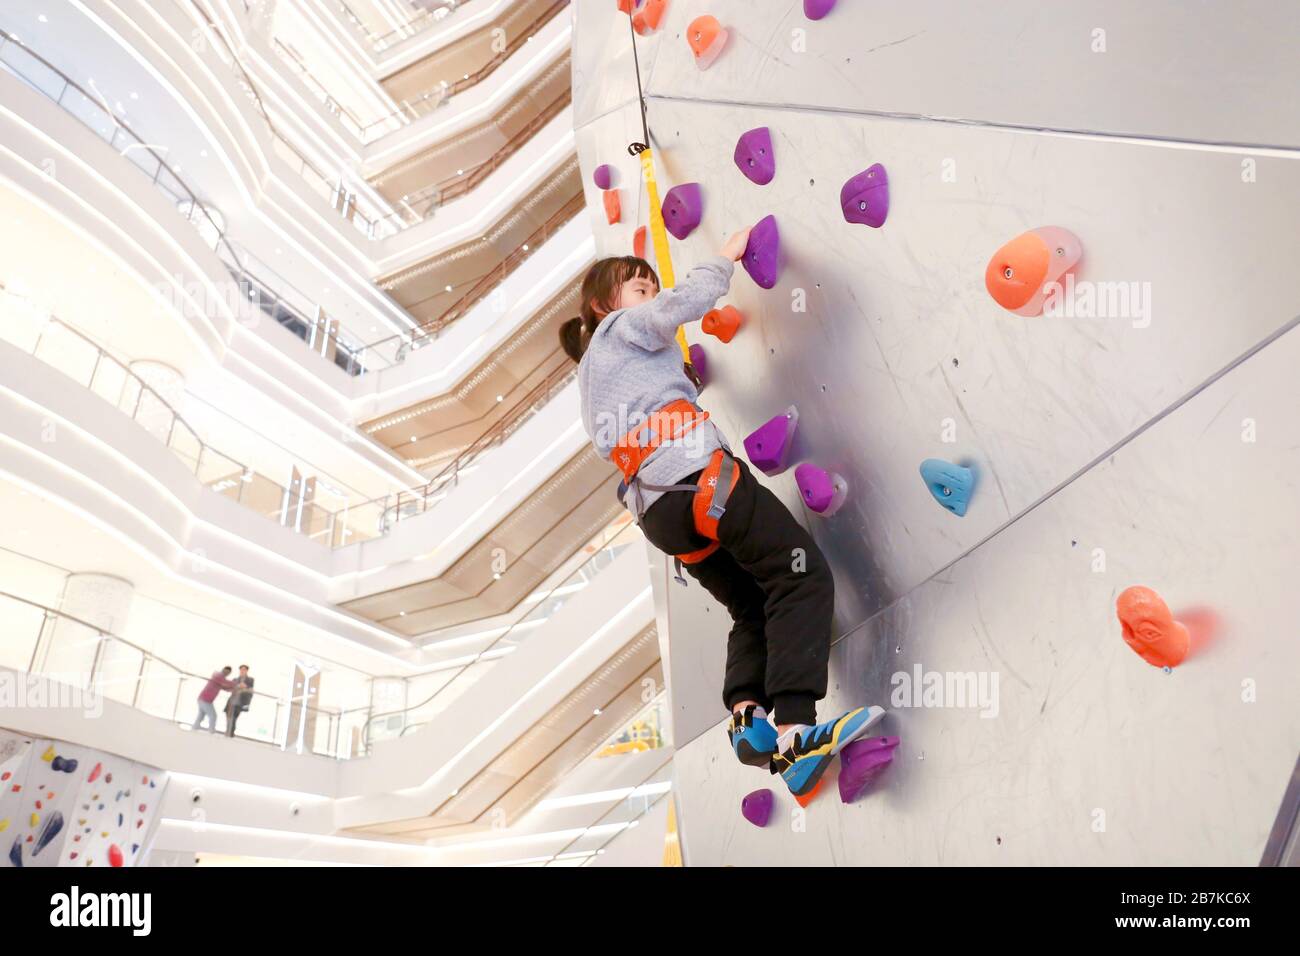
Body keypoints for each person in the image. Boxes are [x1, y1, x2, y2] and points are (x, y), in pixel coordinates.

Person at [560, 228, 886, 798]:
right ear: (602, 306)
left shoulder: (592, 377)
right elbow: (674, 310)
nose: (649, 293)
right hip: (698, 479)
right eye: (638, 287)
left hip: (662, 513)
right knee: (798, 574)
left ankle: (748, 716)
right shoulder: (620, 328)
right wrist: (722, 260)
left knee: (751, 603)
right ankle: (795, 732)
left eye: (649, 285)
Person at [193, 667, 236, 733]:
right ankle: (211, 731)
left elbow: (224, 687)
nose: (226, 673)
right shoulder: (218, 675)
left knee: (201, 715)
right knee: (213, 715)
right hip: (205, 699)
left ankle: (195, 727)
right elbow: (225, 682)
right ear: (223, 670)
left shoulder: (220, 679)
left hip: (204, 699)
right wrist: (237, 684)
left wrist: (233, 689)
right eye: (226, 671)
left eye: (228, 673)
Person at [224, 665, 255, 737]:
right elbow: (229, 687)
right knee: (229, 718)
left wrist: (245, 687)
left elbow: (250, 689)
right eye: (241, 670)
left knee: (234, 718)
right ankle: (228, 733)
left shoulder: (250, 680)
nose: (242, 671)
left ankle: (230, 733)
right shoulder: (235, 679)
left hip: (240, 702)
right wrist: (238, 686)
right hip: (231, 701)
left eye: (244, 670)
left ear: (247, 671)